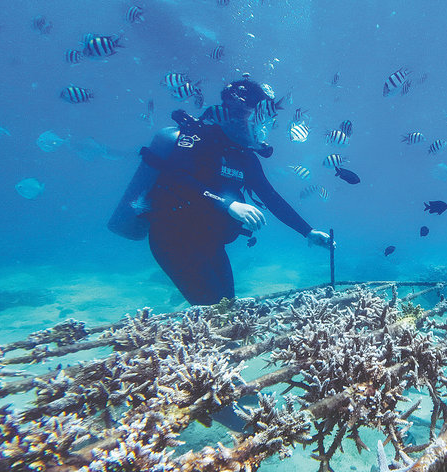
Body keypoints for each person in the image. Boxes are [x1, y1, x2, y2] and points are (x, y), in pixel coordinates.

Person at [108, 74, 332, 305]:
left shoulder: (245, 156)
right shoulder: (198, 138)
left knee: (226, 306)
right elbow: (177, 177)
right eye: (254, 117)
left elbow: (271, 197)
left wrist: (308, 231)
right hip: (173, 237)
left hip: (209, 240)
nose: (259, 126)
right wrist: (228, 204)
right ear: (235, 112)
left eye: (263, 120)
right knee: (214, 309)